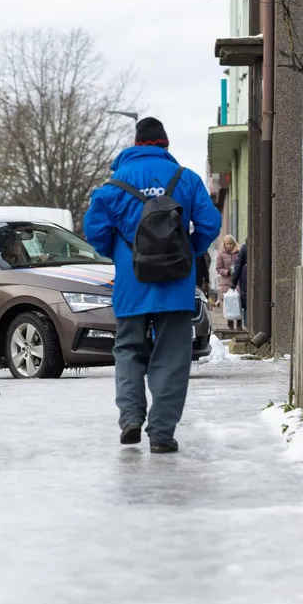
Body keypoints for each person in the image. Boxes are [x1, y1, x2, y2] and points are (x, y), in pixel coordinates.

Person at [83, 117, 222, 453]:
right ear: (165, 145)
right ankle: (161, 434)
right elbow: (210, 223)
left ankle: (131, 417)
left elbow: (94, 230)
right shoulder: (186, 179)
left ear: (136, 144)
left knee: (128, 349)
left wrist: (121, 255)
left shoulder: (114, 185)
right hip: (176, 284)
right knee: (172, 357)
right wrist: (189, 251)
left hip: (132, 284)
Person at [215, 235, 240, 329]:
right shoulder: (221, 255)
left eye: (230, 244)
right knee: (229, 303)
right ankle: (230, 325)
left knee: (238, 302)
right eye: (227, 244)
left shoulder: (238, 253)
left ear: (234, 244)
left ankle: (239, 324)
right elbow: (218, 268)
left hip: (237, 281)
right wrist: (227, 272)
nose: (229, 246)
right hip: (226, 282)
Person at [230, 241, 249, 331]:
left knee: (246, 303)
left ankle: (247, 325)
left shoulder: (245, 247)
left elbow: (238, 267)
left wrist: (233, 283)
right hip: (246, 280)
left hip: (245, 280)